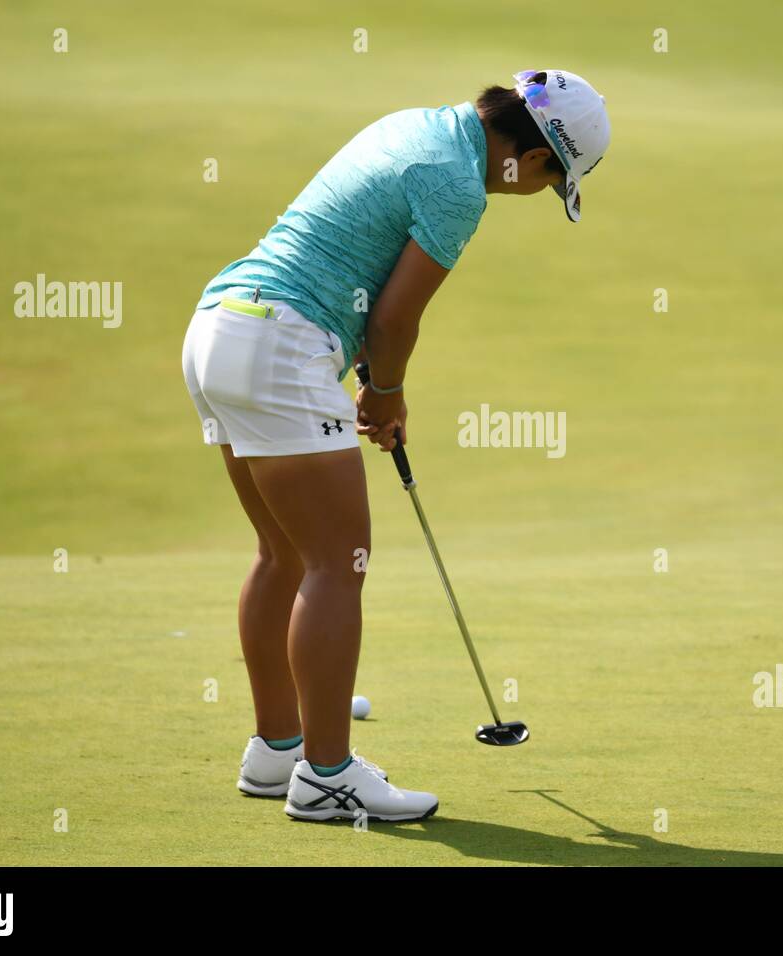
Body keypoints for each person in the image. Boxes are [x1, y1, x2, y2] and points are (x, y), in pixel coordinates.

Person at [181, 70, 610, 822]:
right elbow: (392, 322)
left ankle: (277, 750)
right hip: (281, 344)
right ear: (535, 159)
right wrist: (385, 395)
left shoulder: (416, 124)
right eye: (547, 185)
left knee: (282, 554)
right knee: (336, 562)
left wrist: (375, 385)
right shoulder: (458, 184)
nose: (531, 194)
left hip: (222, 326)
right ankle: (326, 777)